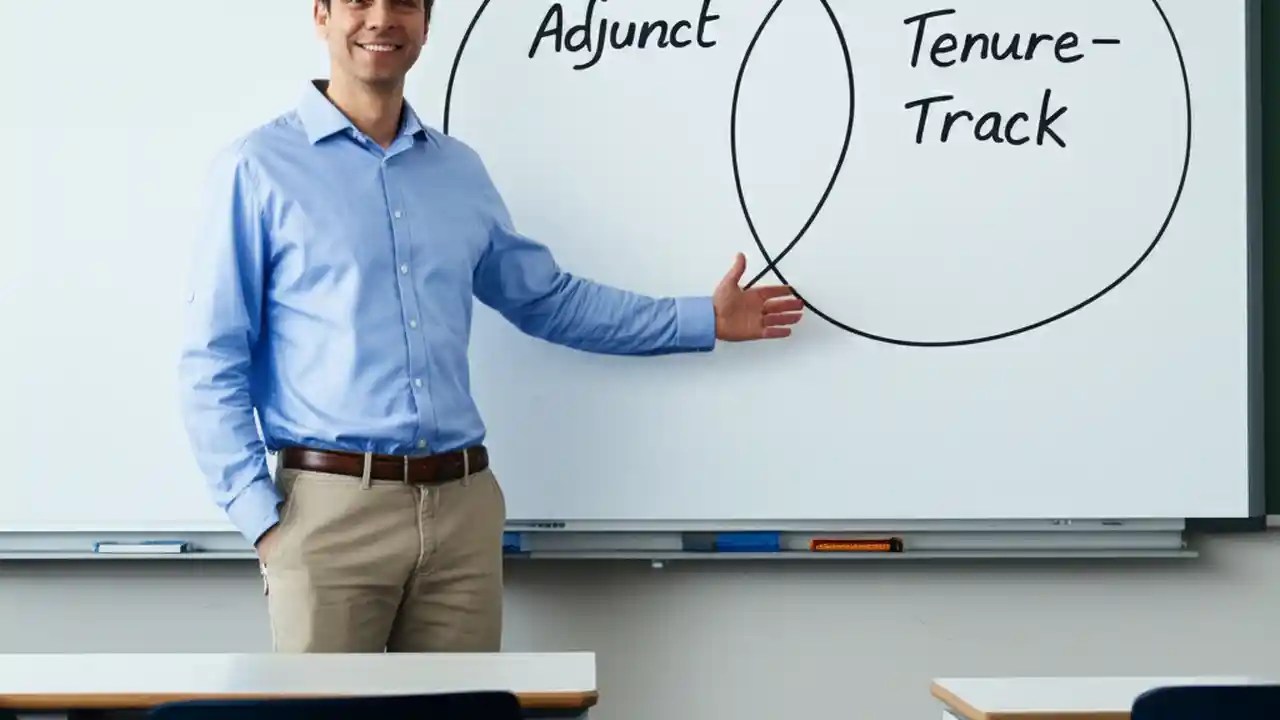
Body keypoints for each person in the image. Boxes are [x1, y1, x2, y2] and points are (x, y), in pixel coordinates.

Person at [177, 0, 803, 654]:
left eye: (405, 4)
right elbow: (211, 360)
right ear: (322, 15)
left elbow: (548, 300)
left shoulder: (458, 172)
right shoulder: (257, 167)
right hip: (329, 516)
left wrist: (701, 318)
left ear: (426, 22)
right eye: (360, 1)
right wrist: (264, 522)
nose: (382, 18)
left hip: (462, 511)